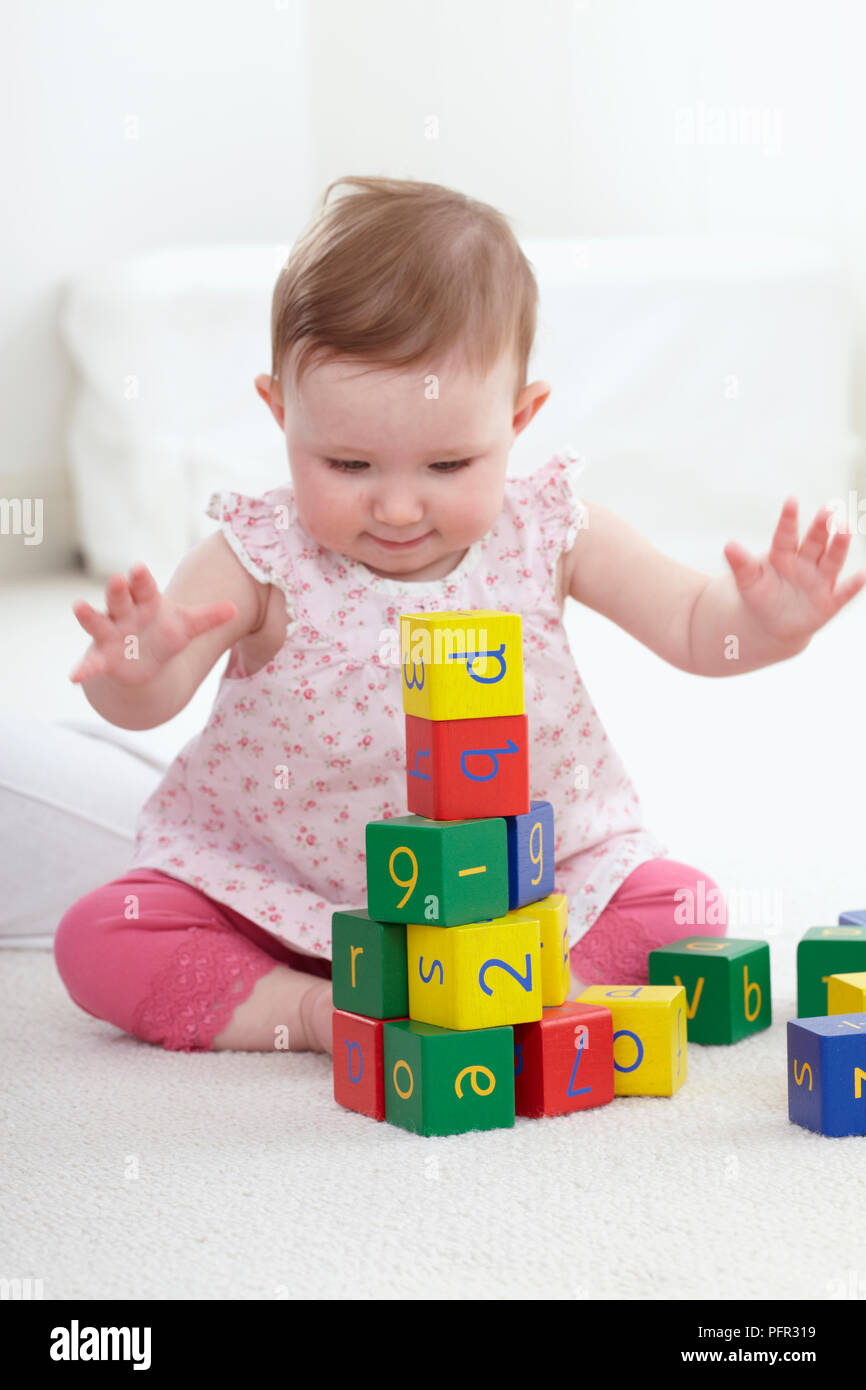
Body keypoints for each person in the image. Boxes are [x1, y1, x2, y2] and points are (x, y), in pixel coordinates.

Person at [53, 176, 866, 1056]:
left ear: (520, 420)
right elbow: (152, 695)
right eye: (349, 463)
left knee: (688, 904)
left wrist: (767, 622)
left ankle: (521, 994)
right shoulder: (260, 554)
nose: (398, 508)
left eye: (447, 466)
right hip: (282, 895)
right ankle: (309, 1014)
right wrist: (137, 670)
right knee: (103, 935)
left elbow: (698, 629)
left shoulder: (552, 531)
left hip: (520, 895)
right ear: (281, 413)